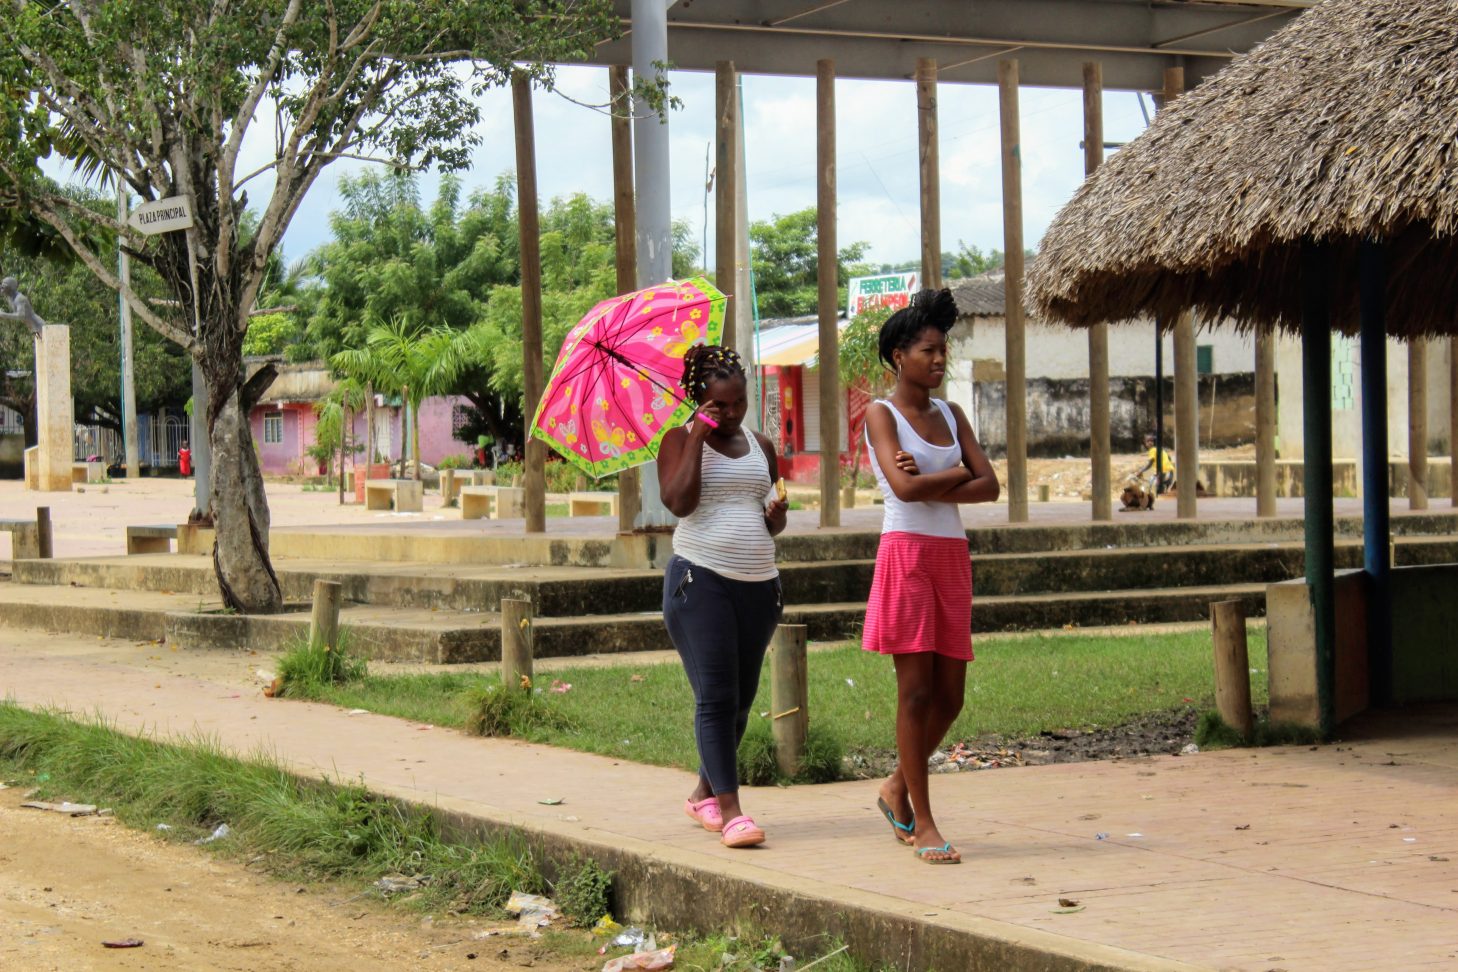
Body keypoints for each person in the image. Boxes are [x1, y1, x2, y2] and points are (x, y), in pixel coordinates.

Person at [863, 289, 999, 865]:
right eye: (928, 351)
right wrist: (956, 473)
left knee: (951, 696)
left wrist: (935, 478)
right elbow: (905, 491)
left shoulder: (952, 414)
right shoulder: (881, 414)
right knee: (915, 692)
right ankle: (922, 822)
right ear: (898, 356)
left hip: (950, 554)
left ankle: (896, 785)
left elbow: (990, 486)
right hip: (907, 554)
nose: (940, 360)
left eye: (943, 350)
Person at [657, 345, 789, 849]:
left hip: (758, 585)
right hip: (700, 582)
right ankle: (732, 812)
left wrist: (776, 519)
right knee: (716, 697)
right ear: (698, 401)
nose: (732, 414)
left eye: (738, 403)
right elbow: (679, 501)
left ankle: (702, 795)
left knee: (741, 701)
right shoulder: (676, 439)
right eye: (720, 405)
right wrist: (696, 437)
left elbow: (768, 514)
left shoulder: (761, 445)